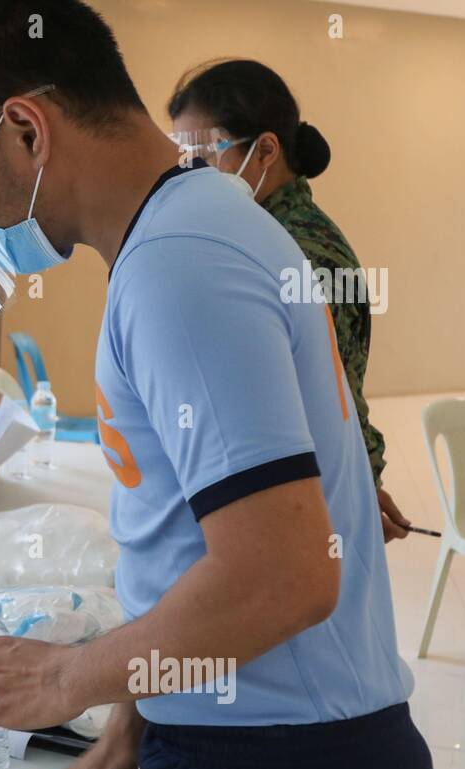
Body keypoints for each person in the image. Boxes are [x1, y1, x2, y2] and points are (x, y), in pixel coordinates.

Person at [0, 0, 438, 769]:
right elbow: (200, 551)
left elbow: (282, 577)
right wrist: (127, 738)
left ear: (28, 131)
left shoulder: (181, 267)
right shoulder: (187, 233)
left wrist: (67, 678)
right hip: (261, 754)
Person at [167, 59, 409, 543]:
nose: (189, 171)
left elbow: (334, 395)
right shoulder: (257, 235)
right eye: (180, 155)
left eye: (204, 153)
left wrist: (361, 484)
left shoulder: (307, 254)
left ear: (266, 150)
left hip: (311, 508)